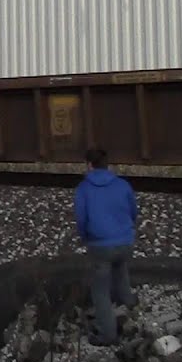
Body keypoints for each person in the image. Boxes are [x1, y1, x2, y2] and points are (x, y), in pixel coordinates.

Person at [74, 148, 139, 345]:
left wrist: (87, 238)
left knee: (100, 290)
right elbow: (133, 211)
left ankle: (107, 334)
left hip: (100, 246)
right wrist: (125, 232)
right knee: (120, 269)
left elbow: (81, 220)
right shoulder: (122, 185)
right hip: (125, 242)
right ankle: (130, 309)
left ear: (89, 165)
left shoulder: (84, 189)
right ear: (106, 164)